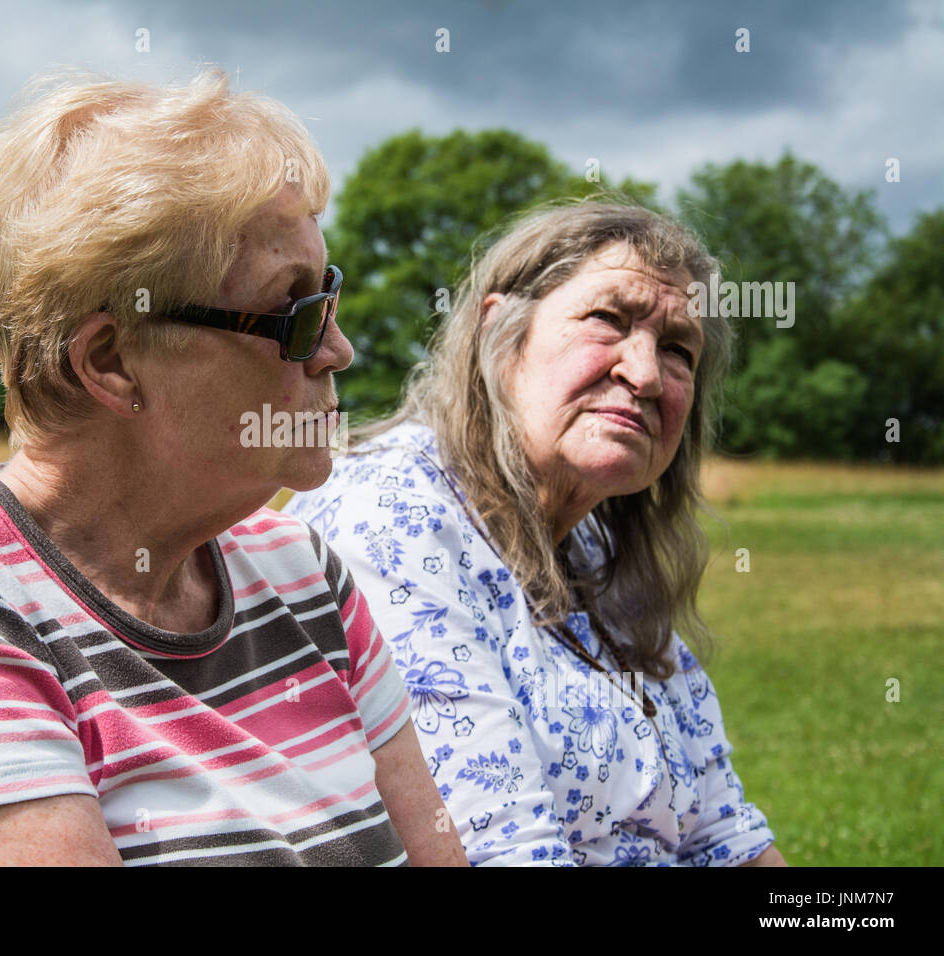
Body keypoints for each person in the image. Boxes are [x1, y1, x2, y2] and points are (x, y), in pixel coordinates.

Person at [0, 68, 466, 867]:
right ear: (112, 361)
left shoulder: (302, 575)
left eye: (331, 295)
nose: (338, 349)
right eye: (294, 310)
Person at [288, 201, 786, 866]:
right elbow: (502, 850)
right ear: (501, 333)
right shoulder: (391, 516)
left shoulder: (600, 551)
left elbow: (725, 834)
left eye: (677, 351)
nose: (643, 374)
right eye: (608, 320)